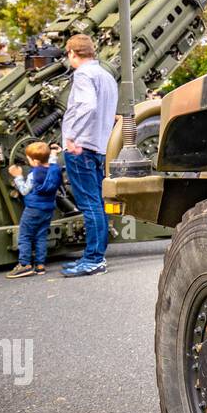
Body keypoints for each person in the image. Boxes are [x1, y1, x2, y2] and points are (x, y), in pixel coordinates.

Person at [60, 33, 118, 277]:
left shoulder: (83, 74)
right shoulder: (106, 76)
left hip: (81, 146)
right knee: (97, 202)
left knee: (89, 203)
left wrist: (72, 136)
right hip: (99, 146)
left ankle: (94, 259)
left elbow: (87, 106)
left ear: (73, 53)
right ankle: (95, 255)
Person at [6, 141, 64, 278]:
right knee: (41, 236)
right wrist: (54, 152)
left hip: (33, 209)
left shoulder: (34, 174)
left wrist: (18, 176)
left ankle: (24, 264)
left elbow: (25, 191)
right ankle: (40, 265)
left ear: (35, 161)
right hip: (48, 209)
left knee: (25, 236)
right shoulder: (54, 169)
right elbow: (53, 162)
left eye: (29, 159)